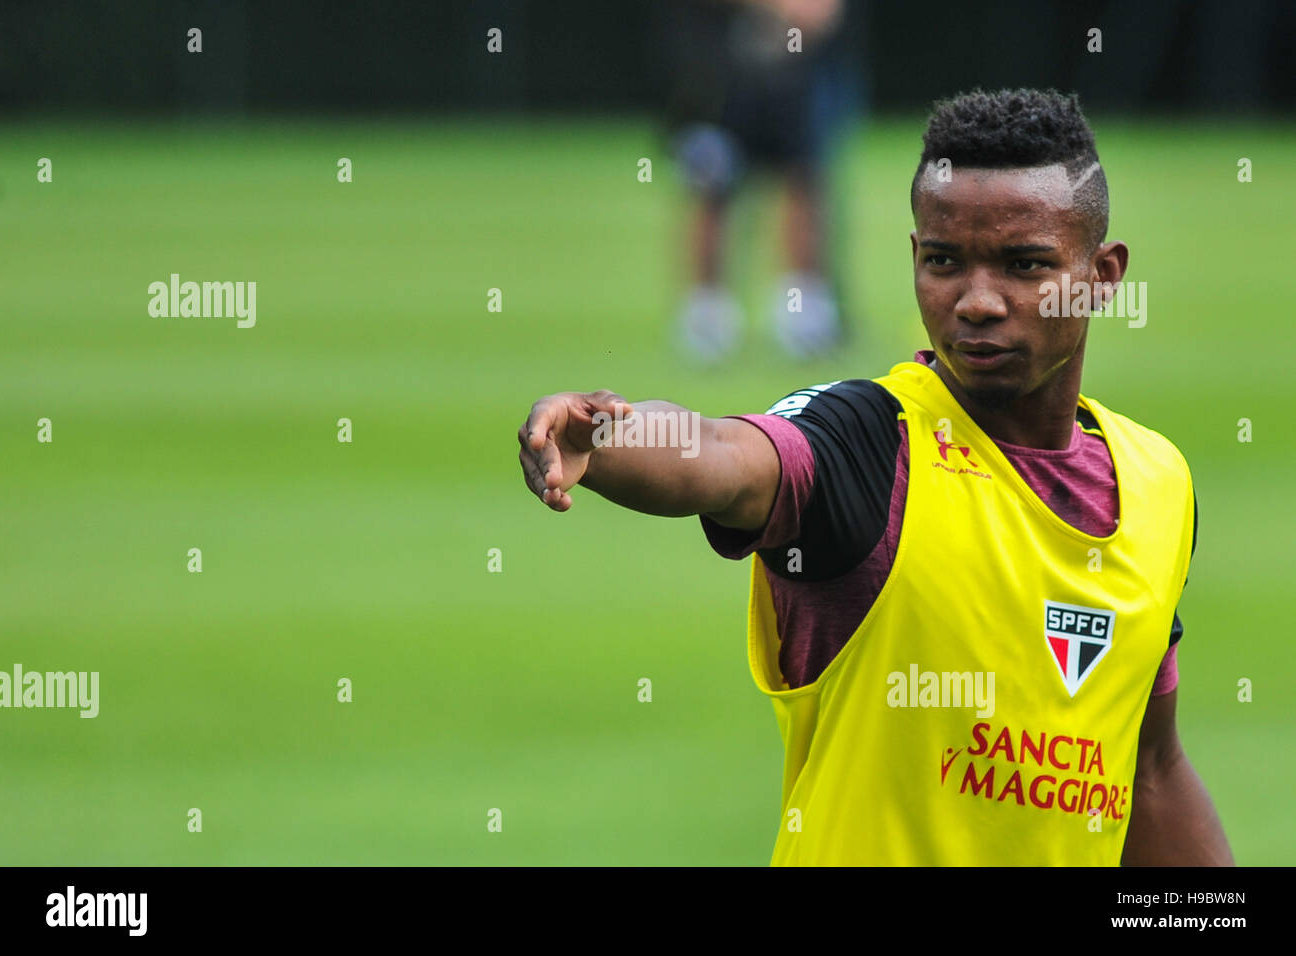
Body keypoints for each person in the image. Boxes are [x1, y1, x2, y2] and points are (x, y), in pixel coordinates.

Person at [518, 88, 1232, 865]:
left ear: (1102, 275)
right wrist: (613, 437)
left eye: (1024, 266)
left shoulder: (1157, 481)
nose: (978, 301)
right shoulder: (869, 442)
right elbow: (725, 454)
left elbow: (1151, 767)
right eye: (944, 262)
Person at [665, 0, 856, 361]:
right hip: (716, 69)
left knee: (803, 181)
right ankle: (706, 320)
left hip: (791, 69)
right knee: (711, 185)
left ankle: (803, 315)